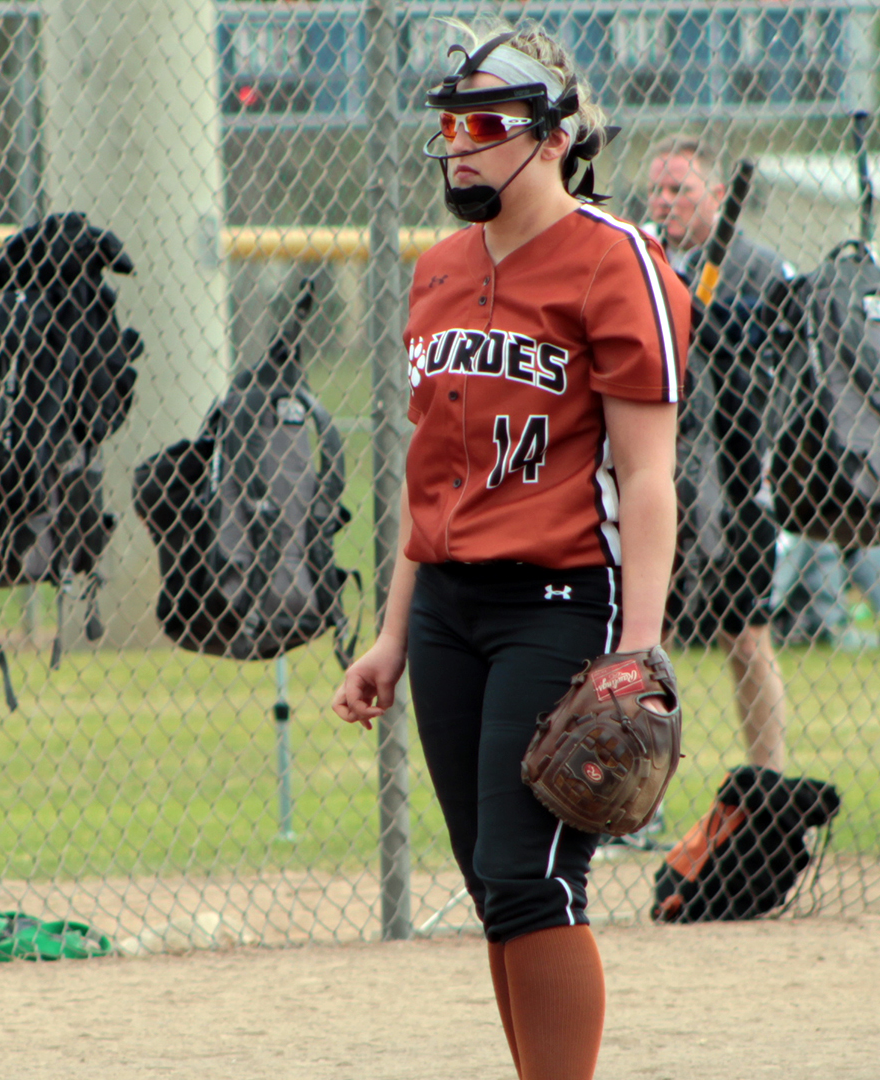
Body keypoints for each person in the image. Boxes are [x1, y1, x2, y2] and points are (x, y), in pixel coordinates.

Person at [331, 23, 687, 1080]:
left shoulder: (617, 262)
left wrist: (640, 650)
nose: (461, 147)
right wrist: (392, 635)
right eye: (451, 125)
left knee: (532, 879)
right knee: (496, 886)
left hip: (558, 602)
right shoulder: (437, 271)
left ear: (556, 136)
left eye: (487, 124)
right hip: (446, 609)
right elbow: (427, 473)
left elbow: (649, 477)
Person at [644, 134, 796, 768]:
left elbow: (788, 368)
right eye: (656, 190)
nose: (664, 202)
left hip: (740, 482)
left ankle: (769, 789)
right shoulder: (641, 261)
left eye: (679, 189)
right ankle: (634, 800)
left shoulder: (761, 269)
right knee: (645, 639)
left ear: (716, 195)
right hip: (659, 479)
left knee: (746, 637)